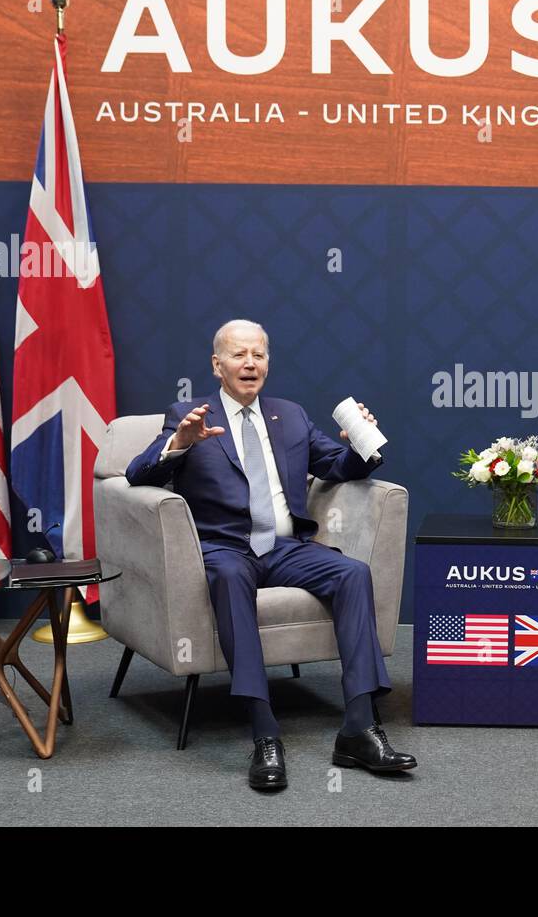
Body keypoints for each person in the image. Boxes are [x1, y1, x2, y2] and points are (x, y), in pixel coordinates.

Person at [126, 319, 416, 791]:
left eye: (258, 355)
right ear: (217, 365)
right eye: (239, 355)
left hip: (286, 547)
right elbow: (138, 476)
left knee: (353, 573)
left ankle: (359, 728)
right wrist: (179, 443)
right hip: (226, 547)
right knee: (228, 577)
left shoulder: (290, 415)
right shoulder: (187, 414)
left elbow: (336, 468)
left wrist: (360, 443)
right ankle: (264, 734)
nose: (250, 363)